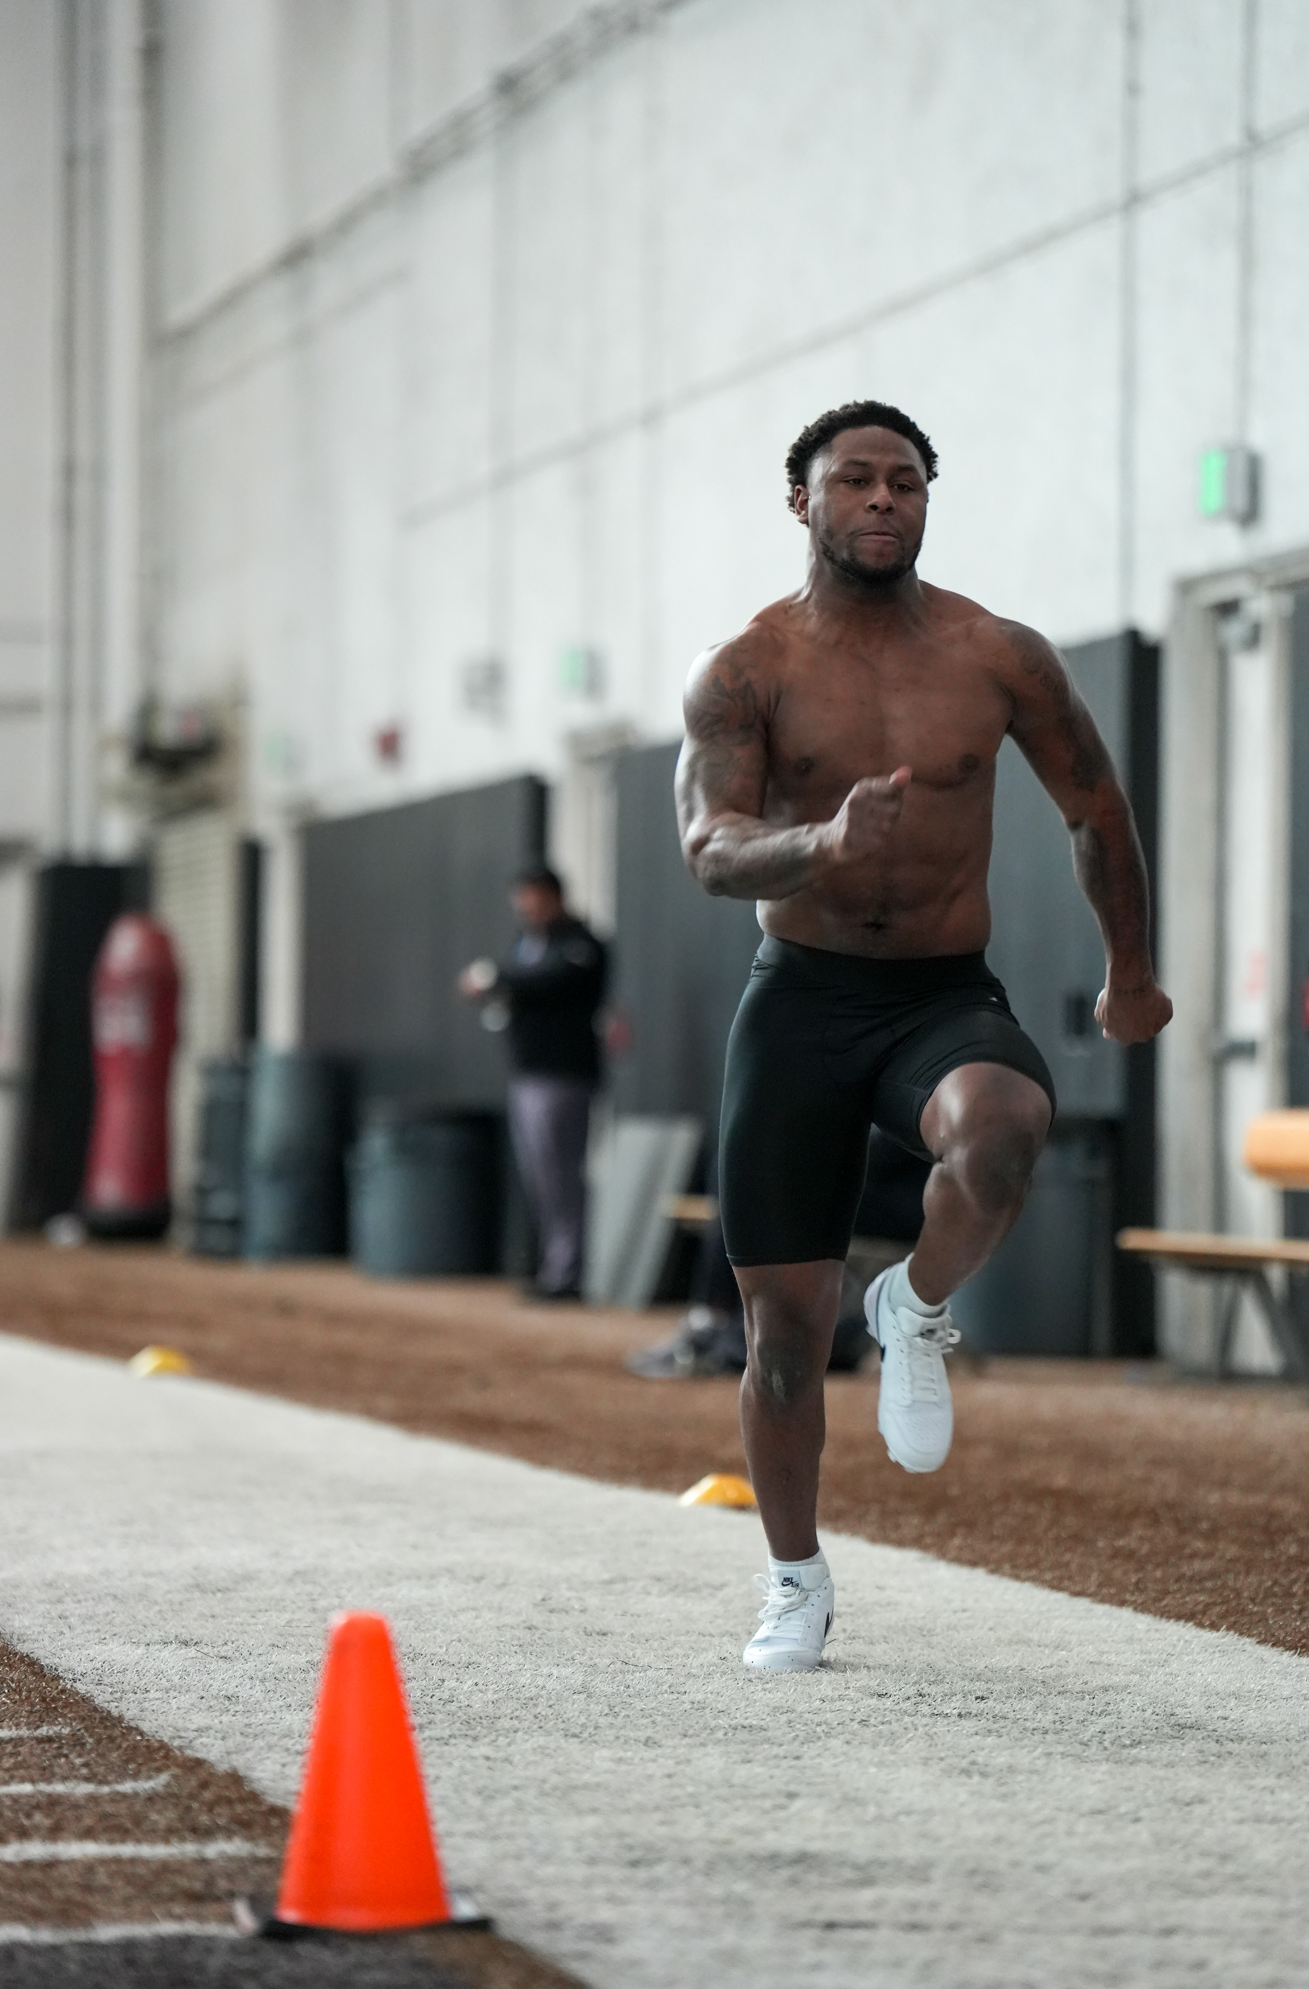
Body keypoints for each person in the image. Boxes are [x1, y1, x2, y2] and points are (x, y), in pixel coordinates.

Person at [675, 399, 1172, 1672]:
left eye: (905, 481)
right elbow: (711, 845)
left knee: (1006, 1128)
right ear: (806, 503)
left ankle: (915, 1302)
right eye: (855, 480)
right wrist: (820, 844)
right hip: (799, 998)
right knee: (782, 1335)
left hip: (940, 991)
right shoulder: (746, 669)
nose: (883, 499)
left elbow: (1094, 804)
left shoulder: (998, 654)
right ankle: (795, 1581)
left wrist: (1131, 969)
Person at [458, 867, 607, 1301]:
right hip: (527, 1075)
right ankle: (553, 1269)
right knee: (541, 1177)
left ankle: (568, 1274)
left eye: (533, 899)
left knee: (562, 1176)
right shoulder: (528, 942)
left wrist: (495, 980)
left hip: (565, 1077)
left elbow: (549, 981)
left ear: (554, 896)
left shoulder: (581, 944)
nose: (526, 908)